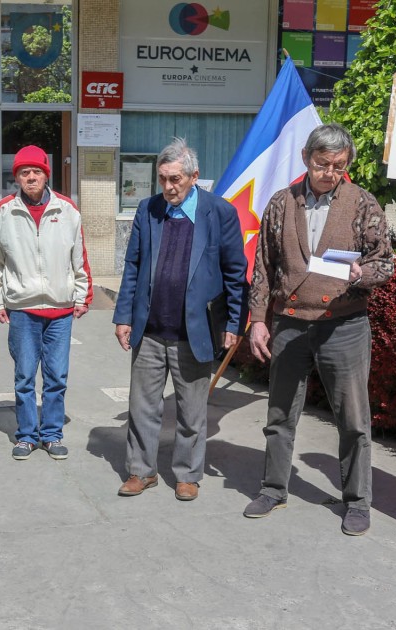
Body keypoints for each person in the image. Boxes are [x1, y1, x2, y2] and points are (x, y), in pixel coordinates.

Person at [243, 123, 394, 536]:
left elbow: (386, 262)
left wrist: (364, 273)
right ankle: (273, 488)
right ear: (306, 158)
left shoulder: (363, 203)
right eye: (322, 163)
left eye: (339, 166)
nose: (330, 172)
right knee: (280, 414)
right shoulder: (281, 202)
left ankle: (357, 501)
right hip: (290, 322)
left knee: (353, 420)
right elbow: (263, 268)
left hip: (343, 324)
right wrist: (258, 320)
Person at [112, 138, 247, 501]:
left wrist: (234, 323)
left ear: (194, 177)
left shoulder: (219, 213)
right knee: (142, 407)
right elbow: (133, 267)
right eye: (163, 179)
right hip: (150, 331)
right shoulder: (148, 210)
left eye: (176, 179)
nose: (169, 187)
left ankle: (188, 474)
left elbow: (236, 272)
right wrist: (123, 315)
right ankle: (141, 471)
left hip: (195, 330)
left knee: (191, 411)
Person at [0, 145, 92, 461]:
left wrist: (82, 295)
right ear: (16, 177)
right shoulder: (4, 211)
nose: (31, 177)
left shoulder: (67, 210)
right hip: (22, 309)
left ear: (46, 175)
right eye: (24, 172)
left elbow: (79, 258)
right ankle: (28, 436)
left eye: (36, 171)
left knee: (57, 377)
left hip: (60, 309)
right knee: (25, 376)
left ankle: (52, 434)